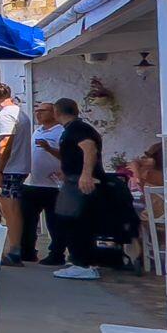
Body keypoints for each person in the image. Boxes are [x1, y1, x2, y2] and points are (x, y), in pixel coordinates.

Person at [51, 98, 105, 280]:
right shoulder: (73, 129)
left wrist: (85, 174)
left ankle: (82, 263)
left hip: (79, 182)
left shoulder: (77, 129)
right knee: (70, 218)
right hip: (73, 178)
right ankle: (80, 260)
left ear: (56, 112)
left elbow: (89, 149)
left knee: (73, 220)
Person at [0, 81, 31, 266]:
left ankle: (14, 250)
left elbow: (5, 144)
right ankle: (14, 249)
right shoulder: (19, 113)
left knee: (10, 210)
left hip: (8, 169)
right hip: (13, 168)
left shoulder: (6, 115)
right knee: (10, 209)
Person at [21, 101, 66, 263]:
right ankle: (27, 251)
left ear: (54, 112)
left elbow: (68, 155)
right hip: (32, 183)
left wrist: (49, 149)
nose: (38, 114)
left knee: (54, 222)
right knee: (27, 220)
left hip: (53, 185)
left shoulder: (61, 132)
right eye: (37, 110)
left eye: (43, 111)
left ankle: (57, 254)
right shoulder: (37, 131)